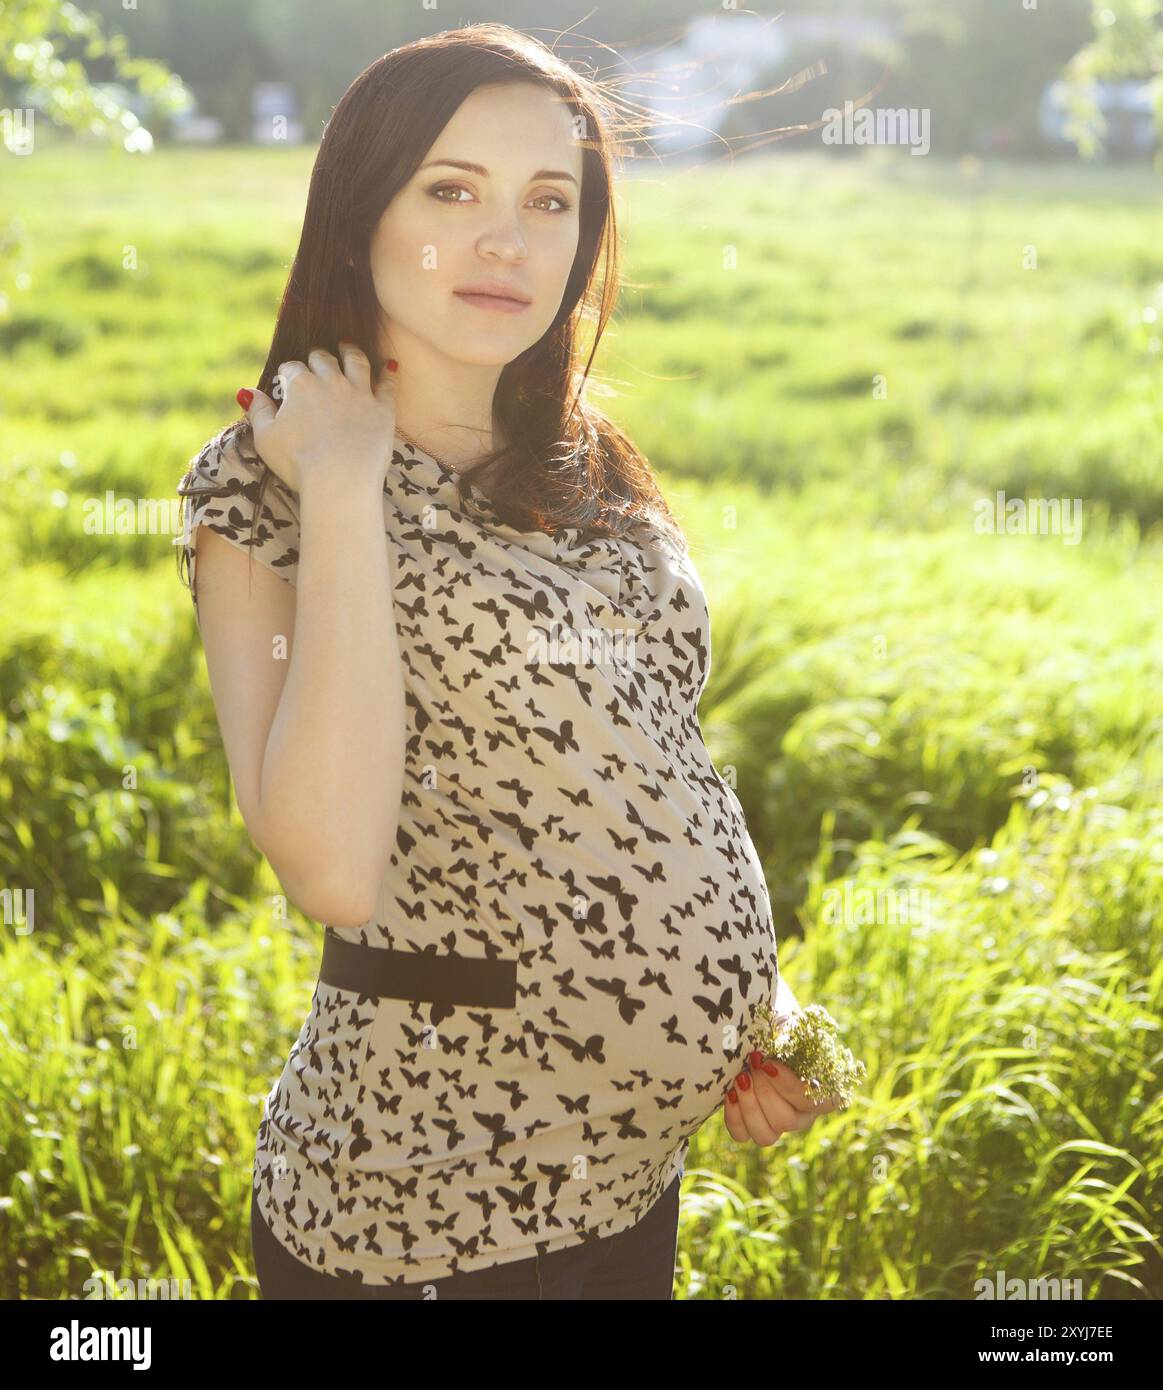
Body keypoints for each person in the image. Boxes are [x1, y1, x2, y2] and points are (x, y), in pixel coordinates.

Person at [176, 21, 838, 1301]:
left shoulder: (580, 459)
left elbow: (637, 761)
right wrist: (349, 483)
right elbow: (327, 866)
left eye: (550, 201)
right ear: (359, 211)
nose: (508, 242)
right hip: (426, 1207)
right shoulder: (263, 486)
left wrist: (753, 1007)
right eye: (450, 191)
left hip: (625, 1186)